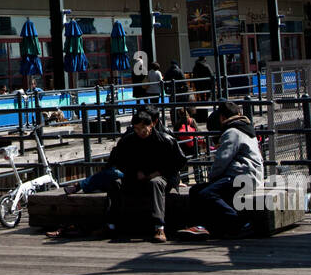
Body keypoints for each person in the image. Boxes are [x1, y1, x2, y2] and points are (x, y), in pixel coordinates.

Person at [185, 101, 264, 238]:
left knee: (207, 193)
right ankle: (201, 226)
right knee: (195, 190)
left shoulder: (232, 132)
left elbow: (222, 160)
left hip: (241, 176)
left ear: (222, 118)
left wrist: (212, 178)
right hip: (249, 175)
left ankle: (240, 223)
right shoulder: (245, 128)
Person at [107, 107, 186, 243]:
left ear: (152, 125)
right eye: (137, 129)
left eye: (143, 128)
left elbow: (179, 162)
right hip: (137, 176)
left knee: (155, 183)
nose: (140, 132)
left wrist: (158, 172)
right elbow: (117, 160)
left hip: (162, 176)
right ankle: (110, 225)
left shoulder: (165, 140)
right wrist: (134, 172)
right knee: (116, 183)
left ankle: (159, 227)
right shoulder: (129, 140)